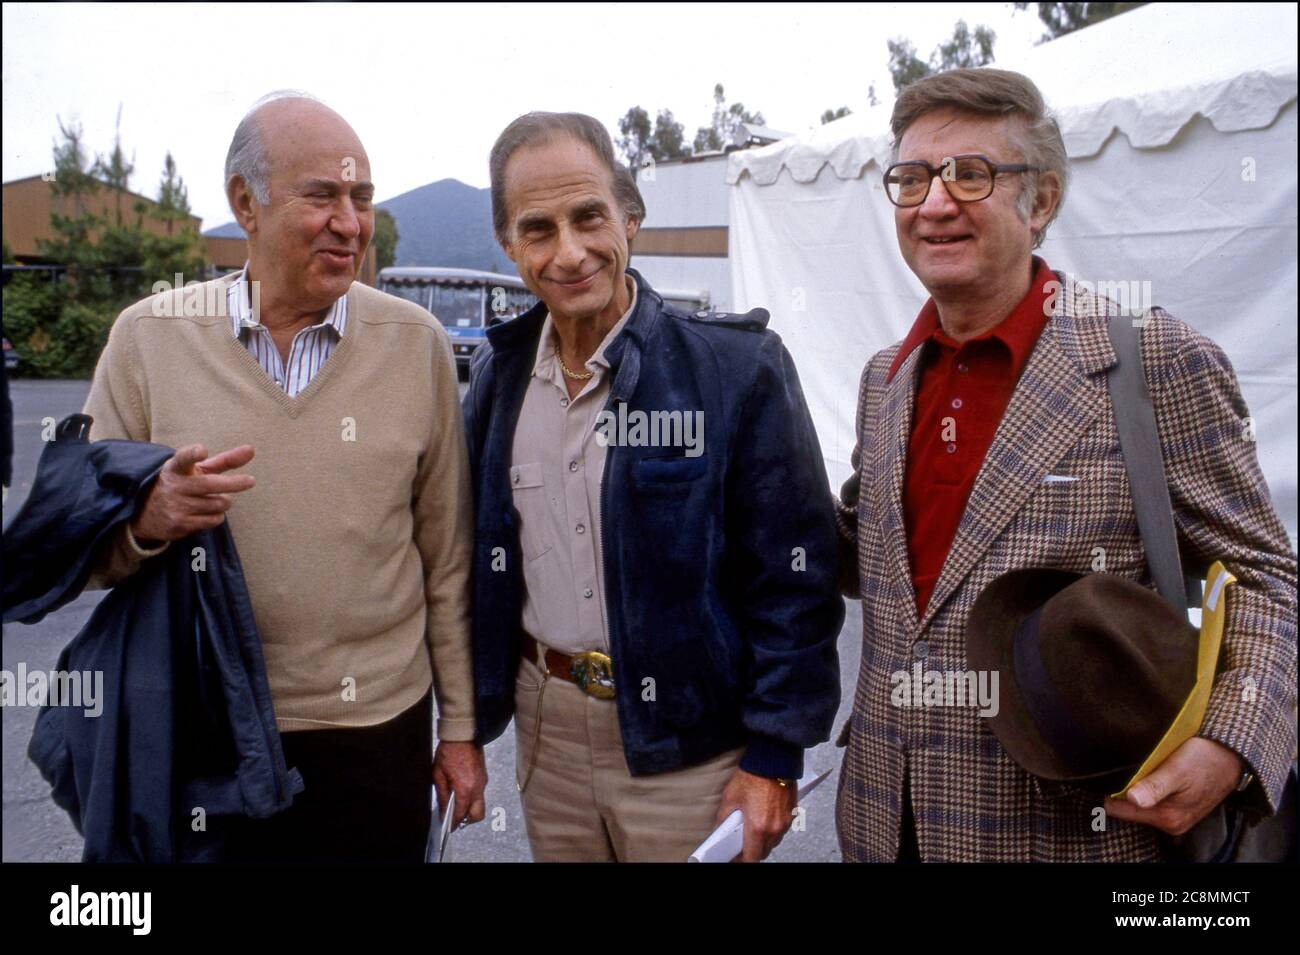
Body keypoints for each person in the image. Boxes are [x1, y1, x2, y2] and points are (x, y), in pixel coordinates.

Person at [834, 68, 1297, 862]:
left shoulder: (1150, 360)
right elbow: (889, 573)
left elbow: (1264, 579)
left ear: (1040, 201)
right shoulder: (886, 378)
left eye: (969, 174)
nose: (934, 204)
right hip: (885, 822)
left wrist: (1230, 742)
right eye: (911, 179)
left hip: (1069, 834)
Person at [81, 90, 487, 862]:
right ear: (246, 203)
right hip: (203, 730)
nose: (350, 221)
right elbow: (75, 547)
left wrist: (460, 729)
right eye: (323, 195)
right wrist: (143, 519)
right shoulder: (148, 339)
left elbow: (449, 557)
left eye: (361, 197)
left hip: (375, 732)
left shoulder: (416, 344)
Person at [464, 111, 843, 862]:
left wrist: (774, 751)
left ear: (629, 219)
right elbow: (472, 562)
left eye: (589, 217)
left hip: (690, 748)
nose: (569, 252)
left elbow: (795, 580)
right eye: (538, 229)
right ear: (509, 246)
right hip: (549, 739)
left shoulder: (737, 370)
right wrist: (465, 723)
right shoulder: (498, 380)